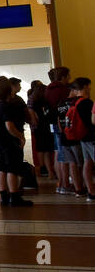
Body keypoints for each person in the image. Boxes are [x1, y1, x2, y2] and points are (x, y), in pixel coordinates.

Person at [0, 81, 32, 207]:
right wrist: (21, 136)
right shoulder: (5, 106)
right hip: (9, 141)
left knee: (1, 167)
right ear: (8, 92)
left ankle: (4, 196)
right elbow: (9, 126)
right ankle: (14, 196)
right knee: (12, 168)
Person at [58, 77, 94, 200]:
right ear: (84, 87)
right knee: (85, 163)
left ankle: (87, 191)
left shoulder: (69, 103)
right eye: (88, 86)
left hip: (75, 136)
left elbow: (59, 121)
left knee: (85, 164)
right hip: (89, 137)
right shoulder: (86, 103)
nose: (89, 88)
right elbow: (92, 122)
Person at [48, 67, 80, 195]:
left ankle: (60, 183)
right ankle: (65, 184)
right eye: (68, 75)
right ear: (63, 77)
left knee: (58, 154)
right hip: (62, 125)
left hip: (53, 124)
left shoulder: (48, 89)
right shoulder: (63, 90)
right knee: (65, 157)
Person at [27, 80, 57, 187]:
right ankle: (48, 172)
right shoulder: (44, 102)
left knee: (42, 150)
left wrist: (35, 125)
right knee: (47, 151)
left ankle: (44, 171)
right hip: (45, 128)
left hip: (40, 129)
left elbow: (33, 117)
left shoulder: (33, 101)